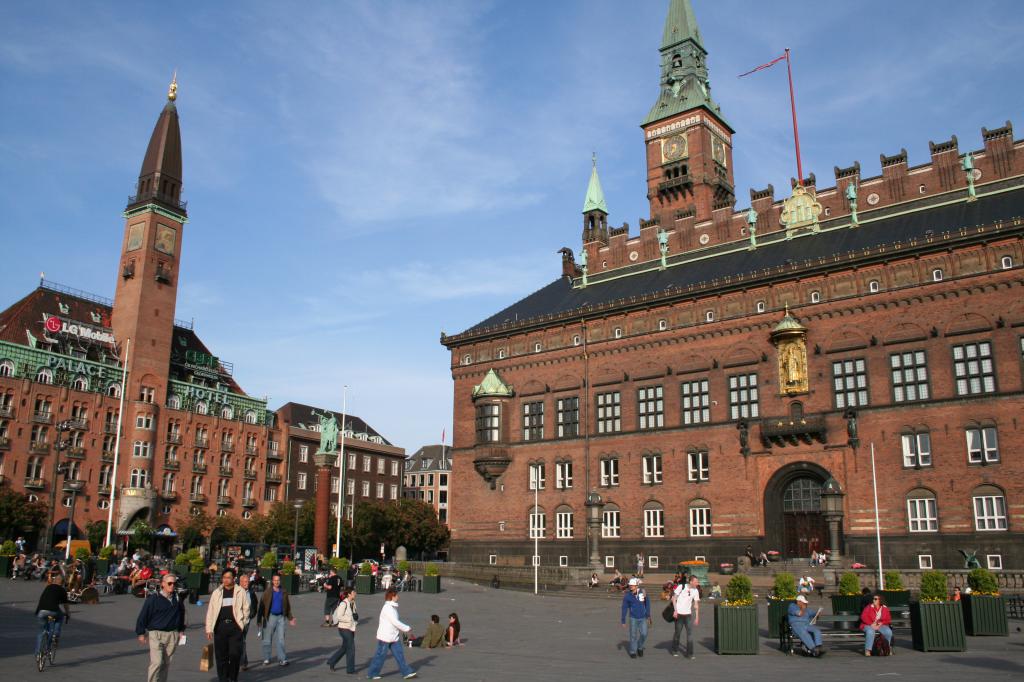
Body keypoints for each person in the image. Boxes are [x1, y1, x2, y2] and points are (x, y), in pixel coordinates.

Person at [135, 572, 186, 682]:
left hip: (172, 634)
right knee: (157, 662)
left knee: (166, 663)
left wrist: (181, 630)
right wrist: (140, 633)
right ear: (163, 584)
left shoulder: (177, 599)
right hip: (156, 633)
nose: (172, 585)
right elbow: (144, 615)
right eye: (170, 583)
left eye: (174, 583)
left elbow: (181, 614)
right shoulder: (154, 599)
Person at [205, 568, 250, 682]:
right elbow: (211, 611)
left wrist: (242, 624)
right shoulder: (217, 592)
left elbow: (246, 609)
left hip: (235, 628)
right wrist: (209, 628)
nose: (225, 580)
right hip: (220, 627)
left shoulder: (240, 591)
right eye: (224, 578)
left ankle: (233, 677)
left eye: (228, 577)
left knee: (235, 655)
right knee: (221, 657)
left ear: (233, 578)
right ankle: (223, 679)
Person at [366, 589, 417, 679]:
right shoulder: (388, 608)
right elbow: (395, 622)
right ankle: (372, 673)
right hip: (385, 636)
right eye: (396, 595)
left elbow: (394, 622)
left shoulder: (391, 607)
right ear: (392, 596)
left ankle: (406, 672)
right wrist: (407, 628)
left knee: (399, 654)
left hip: (393, 636)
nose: (398, 597)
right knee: (380, 655)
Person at [258, 573, 295, 666]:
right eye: (275, 580)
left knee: (281, 639)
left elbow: (287, 606)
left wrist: (290, 618)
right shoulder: (267, 592)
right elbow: (261, 606)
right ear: (272, 581)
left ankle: (282, 659)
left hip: (281, 617)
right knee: (267, 639)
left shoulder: (284, 591)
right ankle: (266, 658)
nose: (276, 582)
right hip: (270, 617)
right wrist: (259, 620)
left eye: (278, 580)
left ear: (280, 581)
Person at [35, 574, 70, 656]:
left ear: (54, 580)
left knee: (41, 632)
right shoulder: (62, 590)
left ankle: (38, 653)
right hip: (53, 610)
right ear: (62, 583)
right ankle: (55, 634)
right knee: (60, 617)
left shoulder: (48, 587)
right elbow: (65, 604)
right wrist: (68, 613)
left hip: (41, 611)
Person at [327, 588, 358, 673]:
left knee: (345, 648)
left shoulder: (353, 603)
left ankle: (332, 661)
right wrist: (350, 618)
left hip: (351, 628)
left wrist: (355, 620)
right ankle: (350, 670)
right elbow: (339, 616)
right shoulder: (343, 603)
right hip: (343, 628)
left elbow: (354, 614)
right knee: (351, 647)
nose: (355, 593)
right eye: (353, 592)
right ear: (349, 594)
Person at [620, 577, 651, 658]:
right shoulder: (627, 596)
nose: (631, 587)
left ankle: (640, 647)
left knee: (644, 634)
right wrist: (623, 620)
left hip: (643, 617)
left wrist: (648, 615)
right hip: (633, 617)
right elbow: (624, 608)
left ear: (636, 586)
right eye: (630, 585)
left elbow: (647, 603)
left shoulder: (643, 592)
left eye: (632, 585)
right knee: (633, 635)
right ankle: (633, 651)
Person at [671, 575, 700, 659]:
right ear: (691, 582)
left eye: (697, 582)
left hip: (688, 615)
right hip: (679, 614)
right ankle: (674, 650)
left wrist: (697, 617)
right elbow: (673, 598)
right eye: (695, 582)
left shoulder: (696, 591)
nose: (697, 583)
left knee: (690, 634)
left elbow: (696, 605)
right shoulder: (681, 587)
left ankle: (690, 654)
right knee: (677, 633)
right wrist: (675, 610)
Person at [237, 573, 258, 672]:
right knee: (238, 641)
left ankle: (243, 662)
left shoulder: (251, 592)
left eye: (248, 582)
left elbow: (255, 603)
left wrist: (252, 614)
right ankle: (240, 661)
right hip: (236, 620)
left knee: (242, 640)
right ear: (240, 582)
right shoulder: (235, 592)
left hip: (246, 621)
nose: (247, 584)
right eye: (245, 582)